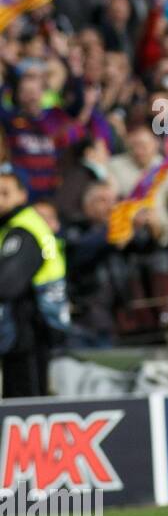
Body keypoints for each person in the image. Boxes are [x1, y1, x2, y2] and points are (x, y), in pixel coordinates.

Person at [0, 165, 70, 398]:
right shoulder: (15, 226)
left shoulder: (23, 231)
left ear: (23, 194)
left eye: (4, 193)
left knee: (24, 403)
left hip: (28, 330)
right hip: (33, 327)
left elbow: (6, 284)